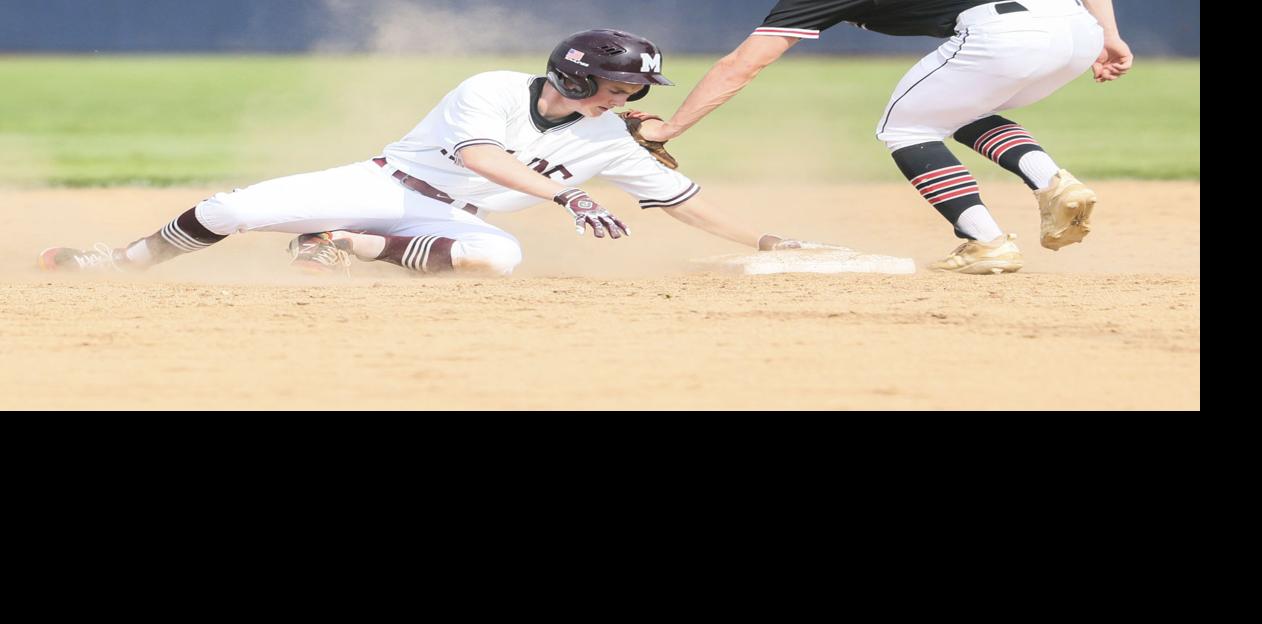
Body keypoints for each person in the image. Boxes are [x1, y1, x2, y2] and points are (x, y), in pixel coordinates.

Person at [39, 29, 801, 277]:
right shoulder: (491, 89)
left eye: (633, 92)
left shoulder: (611, 139)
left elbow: (687, 205)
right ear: (572, 74)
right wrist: (563, 193)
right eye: (614, 87)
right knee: (229, 208)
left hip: (459, 220)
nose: (625, 101)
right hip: (382, 182)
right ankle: (119, 264)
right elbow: (478, 158)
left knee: (496, 261)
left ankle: (337, 244)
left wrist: (773, 241)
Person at [634, 0, 1133, 275]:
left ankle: (986, 241)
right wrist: (1107, 33)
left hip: (1004, 34)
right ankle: (1052, 182)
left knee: (906, 126)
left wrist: (669, 128)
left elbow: (741, 66)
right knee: (953, 107)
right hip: (1074, 25)